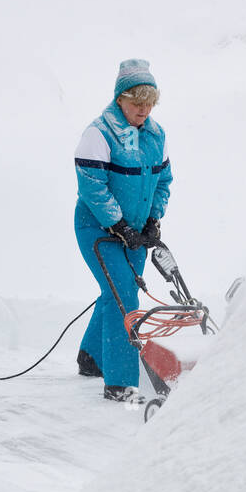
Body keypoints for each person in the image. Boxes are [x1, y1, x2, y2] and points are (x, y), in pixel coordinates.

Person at [73, 59, 173, 401]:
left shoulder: (156, 136)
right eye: (137, 103)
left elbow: (164, 182)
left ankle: (91, 357)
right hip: (97, 229)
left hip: (133, 233)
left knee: (118, 291)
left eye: (149, 103)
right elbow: (92, 185)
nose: (144, 110)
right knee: (124, 298)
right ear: (120, 99)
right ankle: (120, 383)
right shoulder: (99, 133)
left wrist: (152, 220)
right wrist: (117, 224)